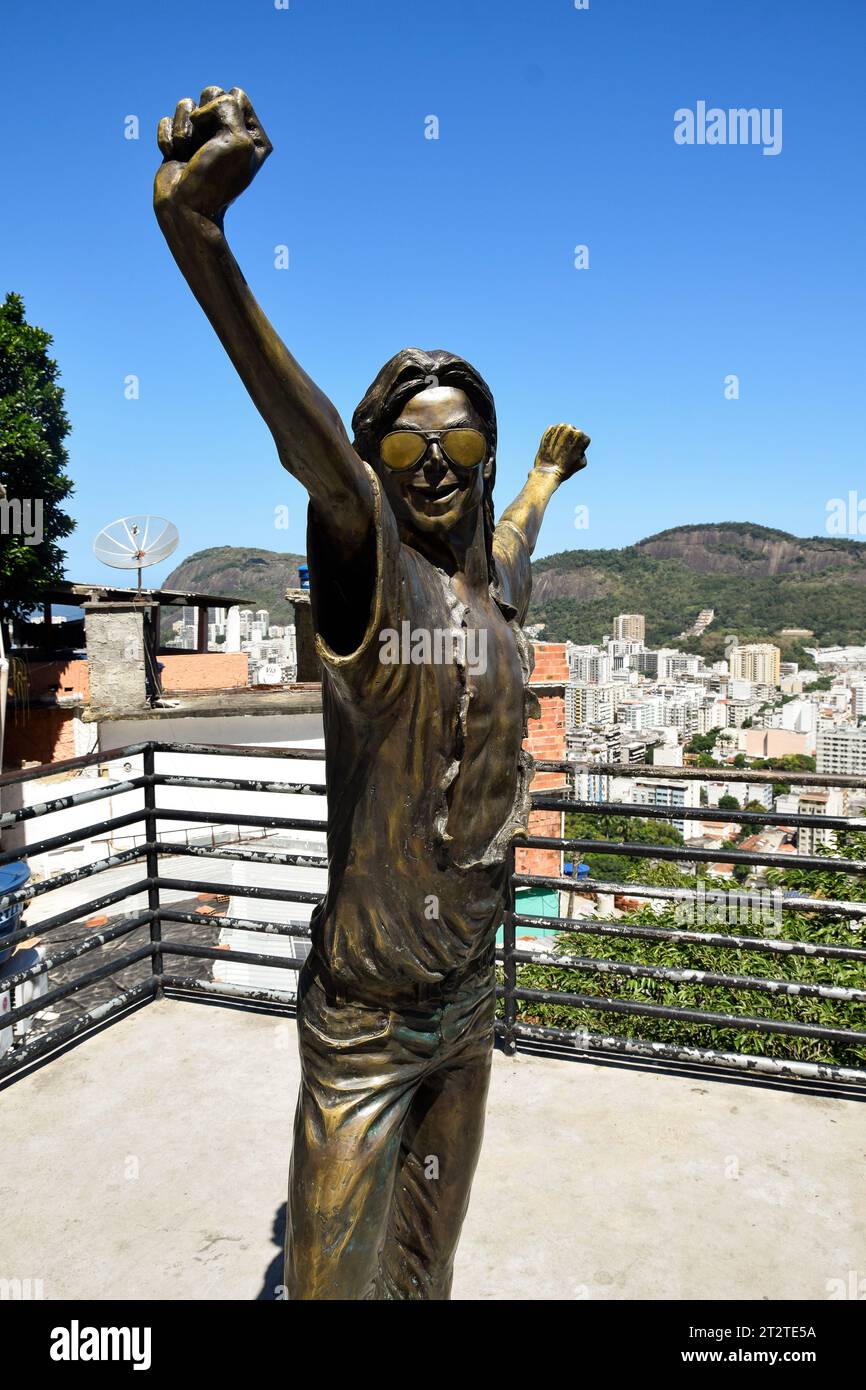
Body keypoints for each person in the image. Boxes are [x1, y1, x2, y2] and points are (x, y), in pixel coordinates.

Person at [154, 86, 590, 1300]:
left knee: (424, 1269)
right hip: (360, 1025)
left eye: (459, 448)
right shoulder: (374, 572)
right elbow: (312, 456)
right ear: (375, 460)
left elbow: (515, 530)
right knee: (333, 1287)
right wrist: (202, 241)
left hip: (468, 1004)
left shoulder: (493, 578)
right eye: (405, 449)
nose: (433, 470)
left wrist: (546, 476)